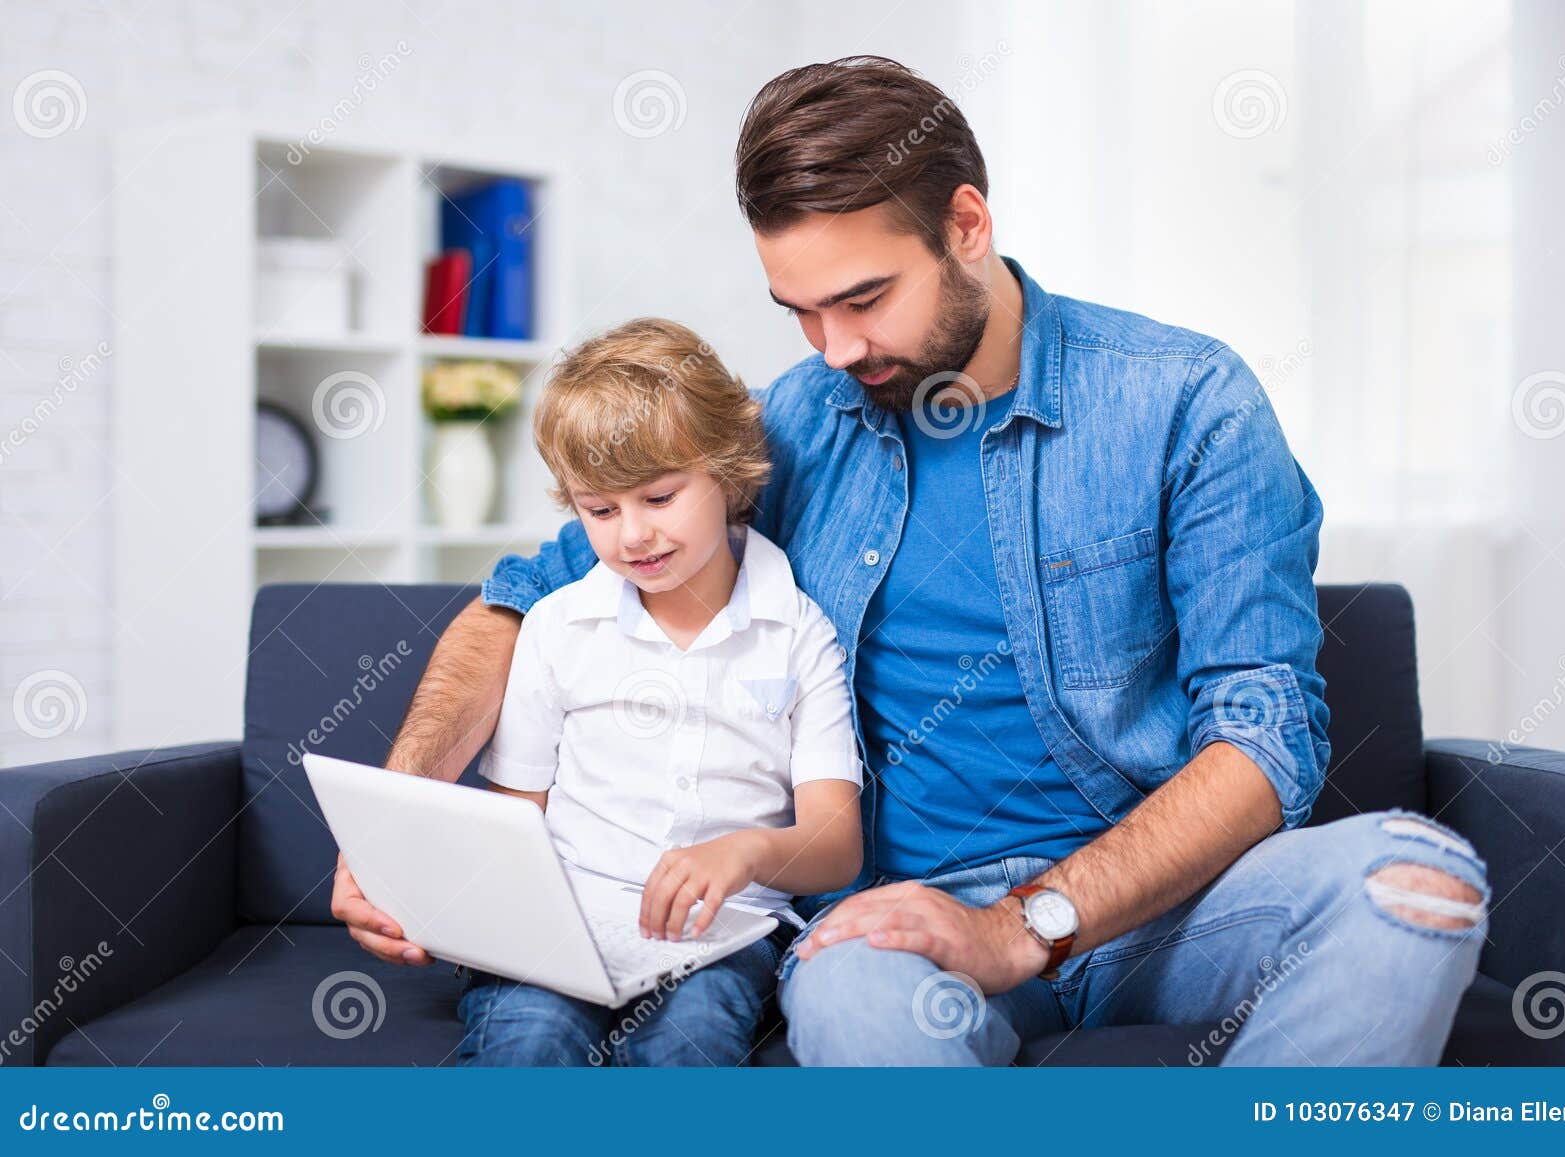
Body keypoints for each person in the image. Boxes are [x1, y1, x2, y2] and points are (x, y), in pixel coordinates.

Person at [335, 57, 1489, 1067]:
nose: (835, 348)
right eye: (797, 310)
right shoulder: (790, 424)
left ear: (968, 226)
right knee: (852, 1003)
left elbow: (1265, 733)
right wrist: (402, 819)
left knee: (1416, 881)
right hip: (890, 923)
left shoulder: (1185, 401)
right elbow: (523, 602)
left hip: (1161, 907)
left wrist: (1024, 923)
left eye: (864, 298)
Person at [391, 318, 861, 1066]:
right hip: (563, 928)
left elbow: (836, 845)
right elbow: (519, 819)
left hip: (725, 935)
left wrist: (745, 852)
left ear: (729, 472)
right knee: (528, 1039)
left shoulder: (800, 631)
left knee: (692, 1038)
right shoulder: (556, 626)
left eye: (660, 497)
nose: (632, 535)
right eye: (600, 510)